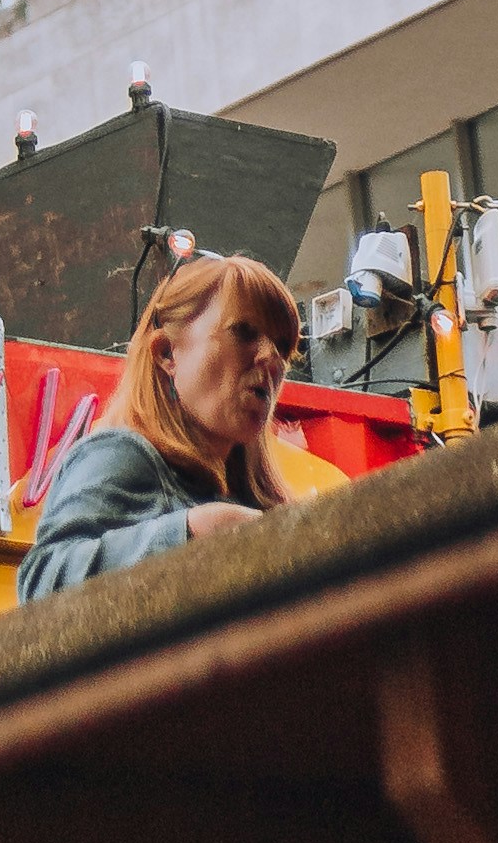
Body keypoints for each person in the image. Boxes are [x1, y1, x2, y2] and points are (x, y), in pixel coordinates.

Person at [19, 253, 344, 602]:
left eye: (283, 346)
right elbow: (44, 582)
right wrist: (192, 530)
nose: (271, 357)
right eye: (244, 332)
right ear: (166, 354)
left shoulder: (252, 501)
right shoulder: (124, 454)